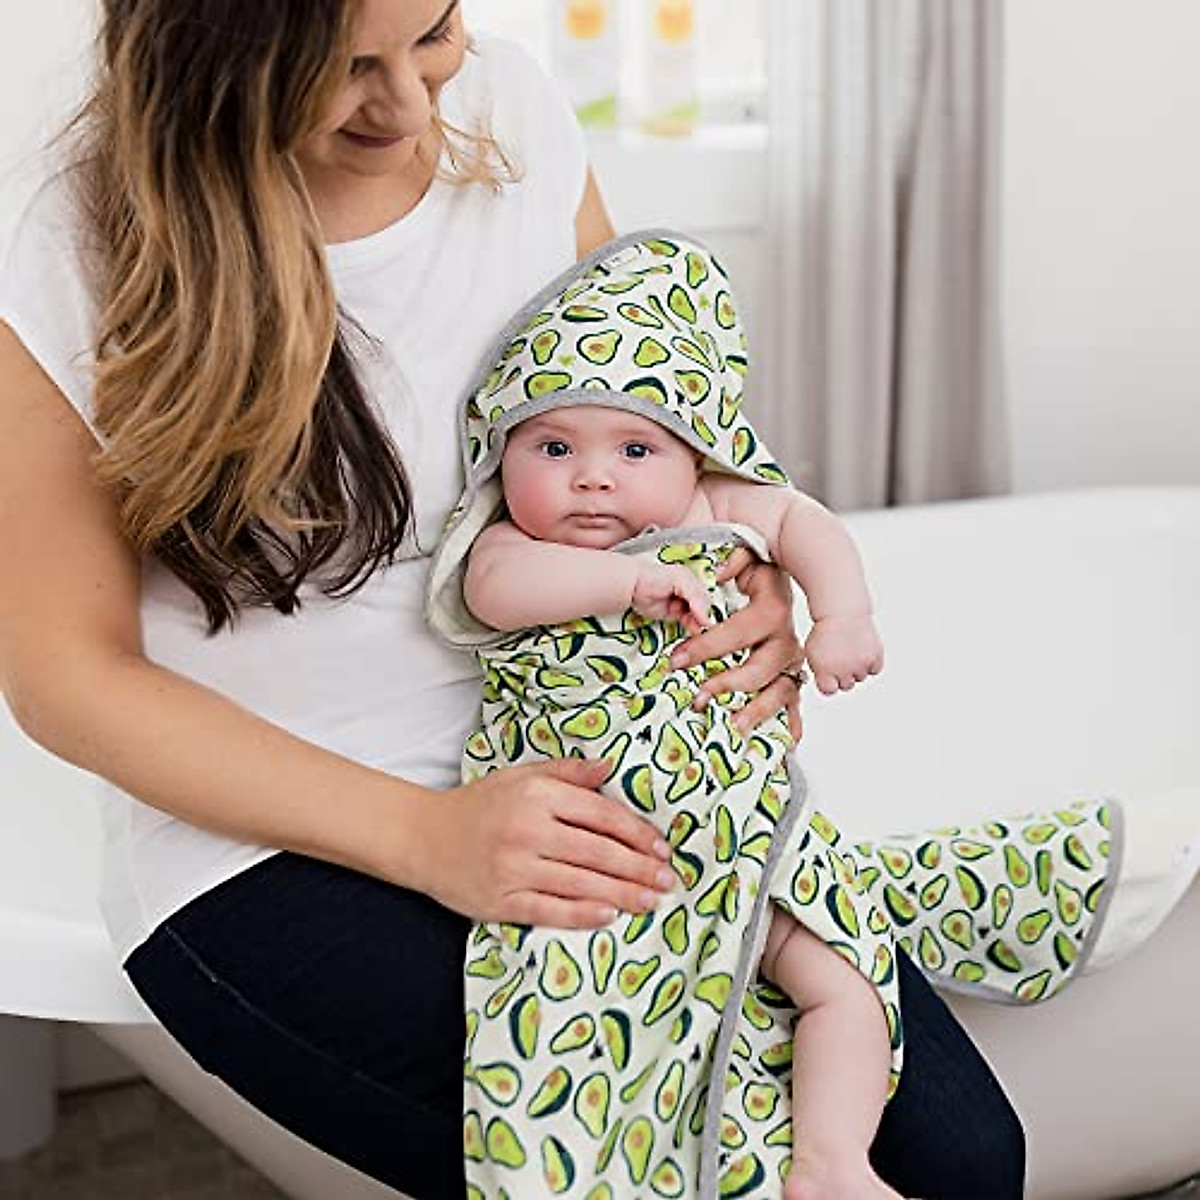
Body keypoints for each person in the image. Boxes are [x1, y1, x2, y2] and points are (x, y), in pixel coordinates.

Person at [0, 2, 1029, 1197]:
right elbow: (68, 678)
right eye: (346, 69)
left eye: (434, 33)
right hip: (272, 842)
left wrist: (748, 574)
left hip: (583, 748)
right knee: (705, 1170)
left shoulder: (515, 112)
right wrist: (428, 838)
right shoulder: (66, 235)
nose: (411, 104)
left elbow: (646, 412)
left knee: (964, 1157)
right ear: (208, 60)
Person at [426, 232, 1116, 1198]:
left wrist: (842, 615)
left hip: (745, 829)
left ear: (694, 450)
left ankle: (832, 1162)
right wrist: (626, 583)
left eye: (634, 448)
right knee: (631, 1010)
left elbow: (807, 525)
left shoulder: (717, 501)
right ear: (502, 454)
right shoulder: (509, 543)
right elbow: (496, 593)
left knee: (844, 979)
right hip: (611, 838)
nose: (592, 477)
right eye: (553, 447)